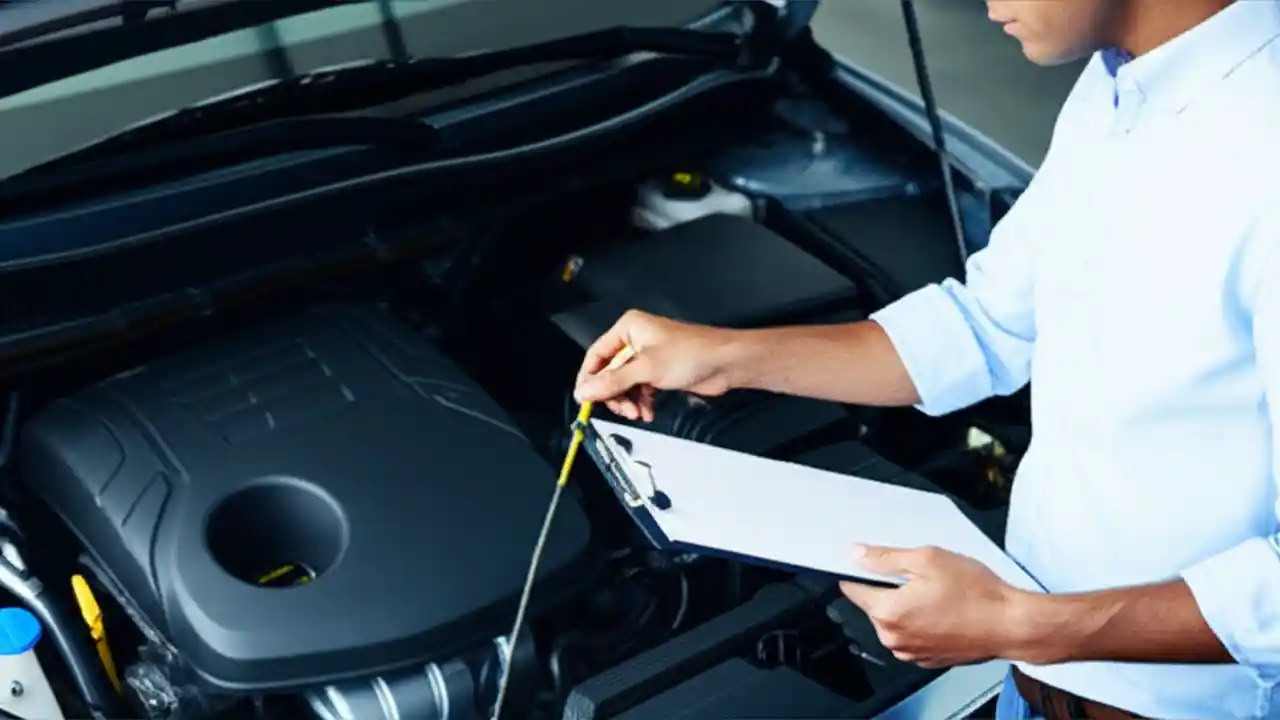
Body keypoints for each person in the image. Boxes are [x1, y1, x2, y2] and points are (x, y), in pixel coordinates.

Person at [573, 0, 1280, 717]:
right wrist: (717, 357)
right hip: (1033, 687)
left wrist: (1018, 623)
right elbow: (984, 327)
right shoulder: (1117, 86)